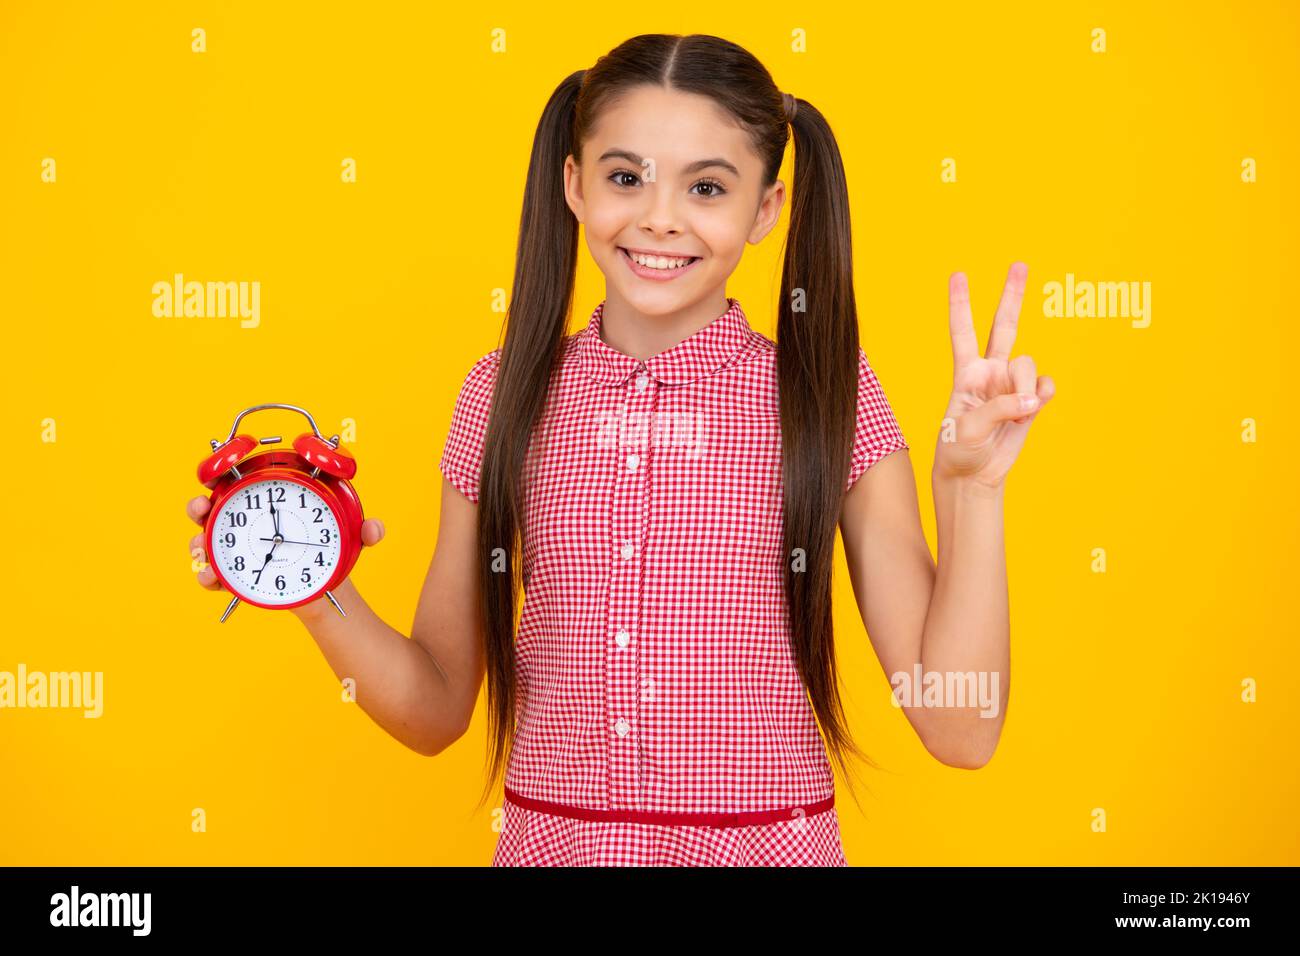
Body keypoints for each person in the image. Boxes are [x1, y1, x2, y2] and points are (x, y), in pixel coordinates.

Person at [185, 32, 1053, 866]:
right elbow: (436, 708)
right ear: (574, 184)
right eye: (626, 176)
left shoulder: (827, 393)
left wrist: (971, 492)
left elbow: (961, 729)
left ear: (767, 209)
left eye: (708, 188)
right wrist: (302, 574)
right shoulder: (500, 394)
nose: (660, 219)